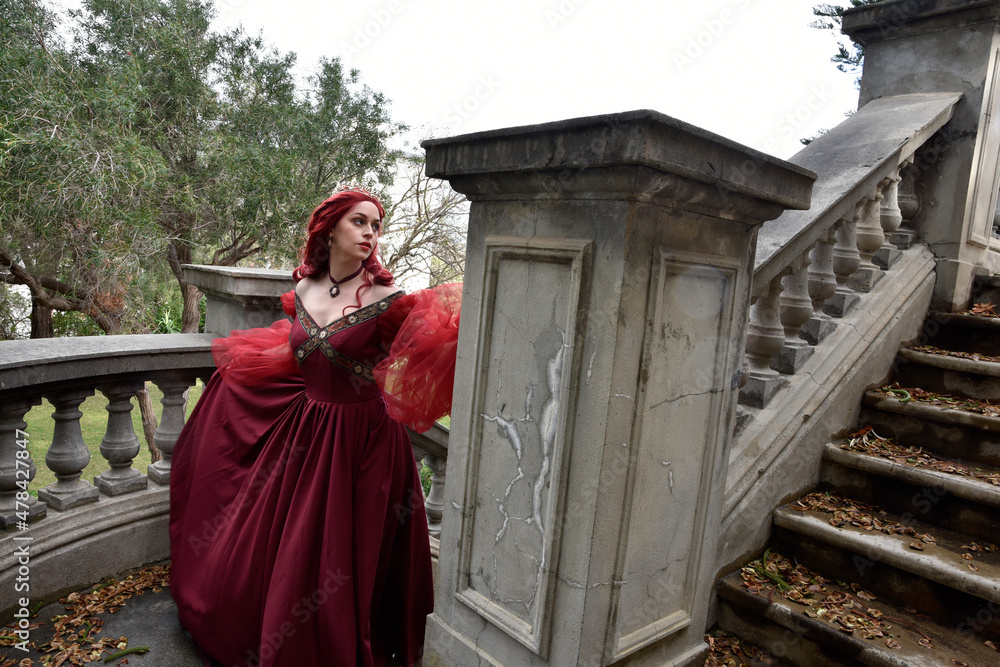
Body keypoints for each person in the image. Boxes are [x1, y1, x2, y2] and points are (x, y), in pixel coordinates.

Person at [169, 187, 460, 667]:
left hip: (363, 444)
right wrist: (242, 375)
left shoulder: (390, 302)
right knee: (294, 547)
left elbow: (424, 354)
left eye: (376, 225)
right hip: (305, 435)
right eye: (359, 222)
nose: (370, 233)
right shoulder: (302, 290)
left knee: (342, 557)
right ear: (330, 229)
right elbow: (300, 353)